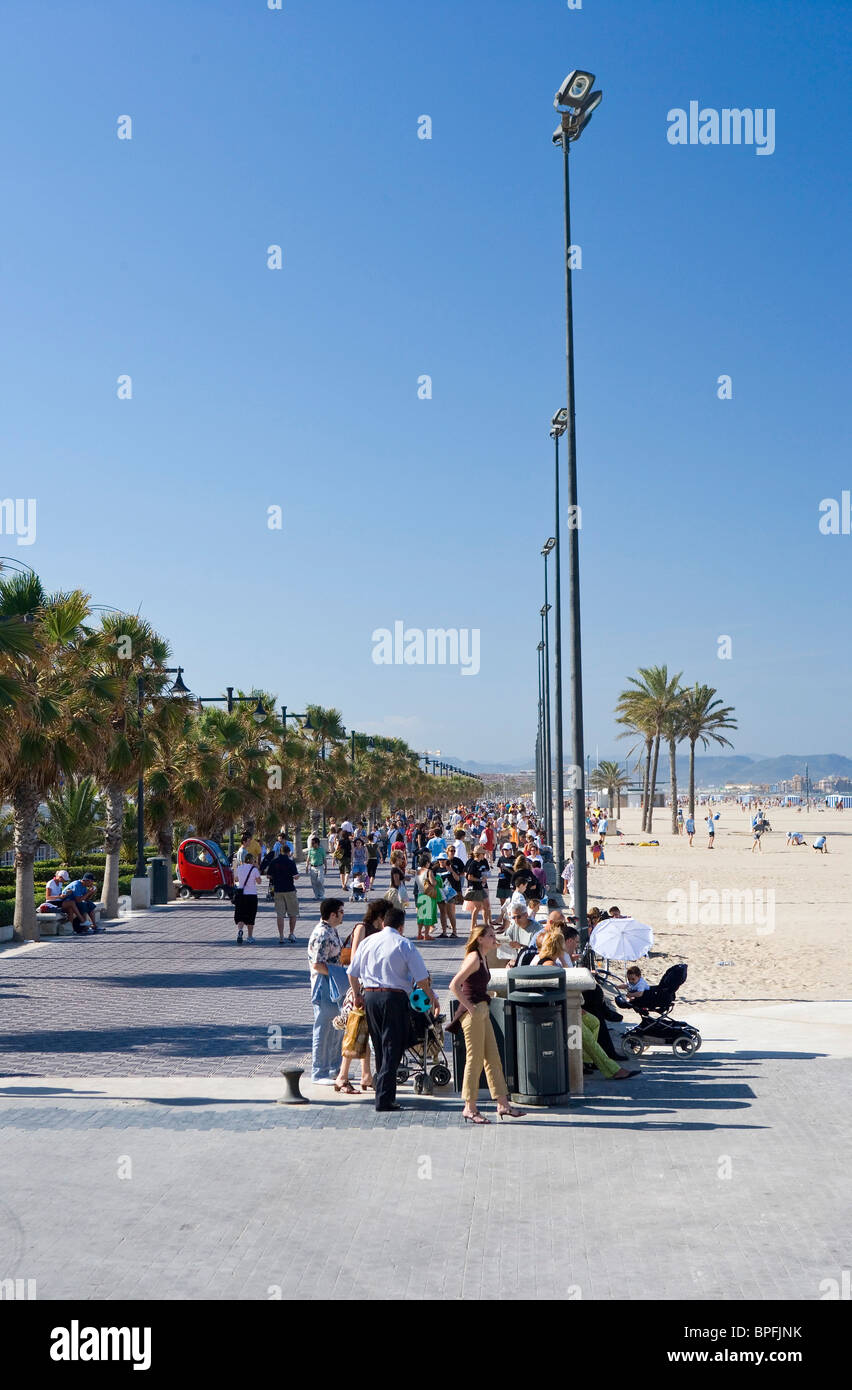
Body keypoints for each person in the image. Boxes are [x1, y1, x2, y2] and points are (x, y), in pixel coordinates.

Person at [347, 906, 438, 1112]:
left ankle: (384, 1094)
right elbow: (422, 978)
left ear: (382, 923)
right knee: (392, 1047)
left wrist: (357, 995)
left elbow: (351, 973)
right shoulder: (404, 944)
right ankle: (384, 1099)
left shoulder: (368, 942)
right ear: (401, 925)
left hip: (370, 996)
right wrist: (431, 997)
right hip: (393, 998)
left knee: (379, 1046)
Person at [535, 926, 637, 1081]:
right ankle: (612, 1069)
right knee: (585, 1034)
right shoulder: (548, 965)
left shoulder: (552, 961)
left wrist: (562, 959)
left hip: (564, 1008)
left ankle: (584, 1061)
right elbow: (568, 984)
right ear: (557, 946)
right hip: (559, 1013)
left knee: (594, 1022)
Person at [447, 923, 524, 1124]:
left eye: (493, 935)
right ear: (479, 939)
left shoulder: (483, 956)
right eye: (489, 935)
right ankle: (469, 1107)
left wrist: (504, 943)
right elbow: (454, 985)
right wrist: (469, 1007)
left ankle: (503, 1104)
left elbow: (501, 946)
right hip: (473, 1012)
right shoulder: (473, 958)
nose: (493, 938)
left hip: (482, 1009)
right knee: (475, 1059)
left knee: (493, 1057)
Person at [307, 898, 346, 1084]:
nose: (343, 914)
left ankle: (334, 1068)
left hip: (333, 984)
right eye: (341, 911)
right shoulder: (322, 933)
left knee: (337, 1028)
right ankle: (319, 1072)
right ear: (332, 914)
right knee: (323, 1029)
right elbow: (317, 964)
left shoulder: (331, 930)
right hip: (323, 986)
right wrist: (337, 973)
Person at [261, 844, 300, 942]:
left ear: (280, 852)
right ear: (288, 852)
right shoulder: (291, 862)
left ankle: (281, 936)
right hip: (290, 889)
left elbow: (268, 876)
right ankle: (291, 934)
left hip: (278, 890)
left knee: (280, 915)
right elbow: (296, 876)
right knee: (293, 913)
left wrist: (276, 876)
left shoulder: (274, 862)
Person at [233, 854, 262, 943]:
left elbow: (236, 879)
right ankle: (249, 936)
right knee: (250, 916)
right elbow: (259, 881)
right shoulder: (254, 869)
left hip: (241, 895)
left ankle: (240, 930)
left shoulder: (239, 868)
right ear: (250, 860)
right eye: (253, 859)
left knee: (241, 915)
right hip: (252, 895)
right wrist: (257, 868)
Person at [463, 845, 491, 932]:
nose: (484, 855)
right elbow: (469, 877)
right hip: (475, 887)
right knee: (477, 907)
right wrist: (480, 880)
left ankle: (486, 925)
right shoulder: (473, 863)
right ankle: (472, 926)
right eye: (483, 854)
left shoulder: (479, 862)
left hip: (480, 887)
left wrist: (484, 878)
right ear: (479, 854)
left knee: (486, 905)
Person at [305, 834, 327, 900]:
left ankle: (322, 894)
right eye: (311, 843)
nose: (312, 844)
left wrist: (326, 867)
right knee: (314, 882)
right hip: (312, 868)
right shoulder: (311, 850)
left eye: (313, 843)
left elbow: (324, 859)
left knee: (320, 881)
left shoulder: (321, 850)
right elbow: (308, 859)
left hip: (320, 867)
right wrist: (306, 867)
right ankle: (316, 895)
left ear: (317, 843)